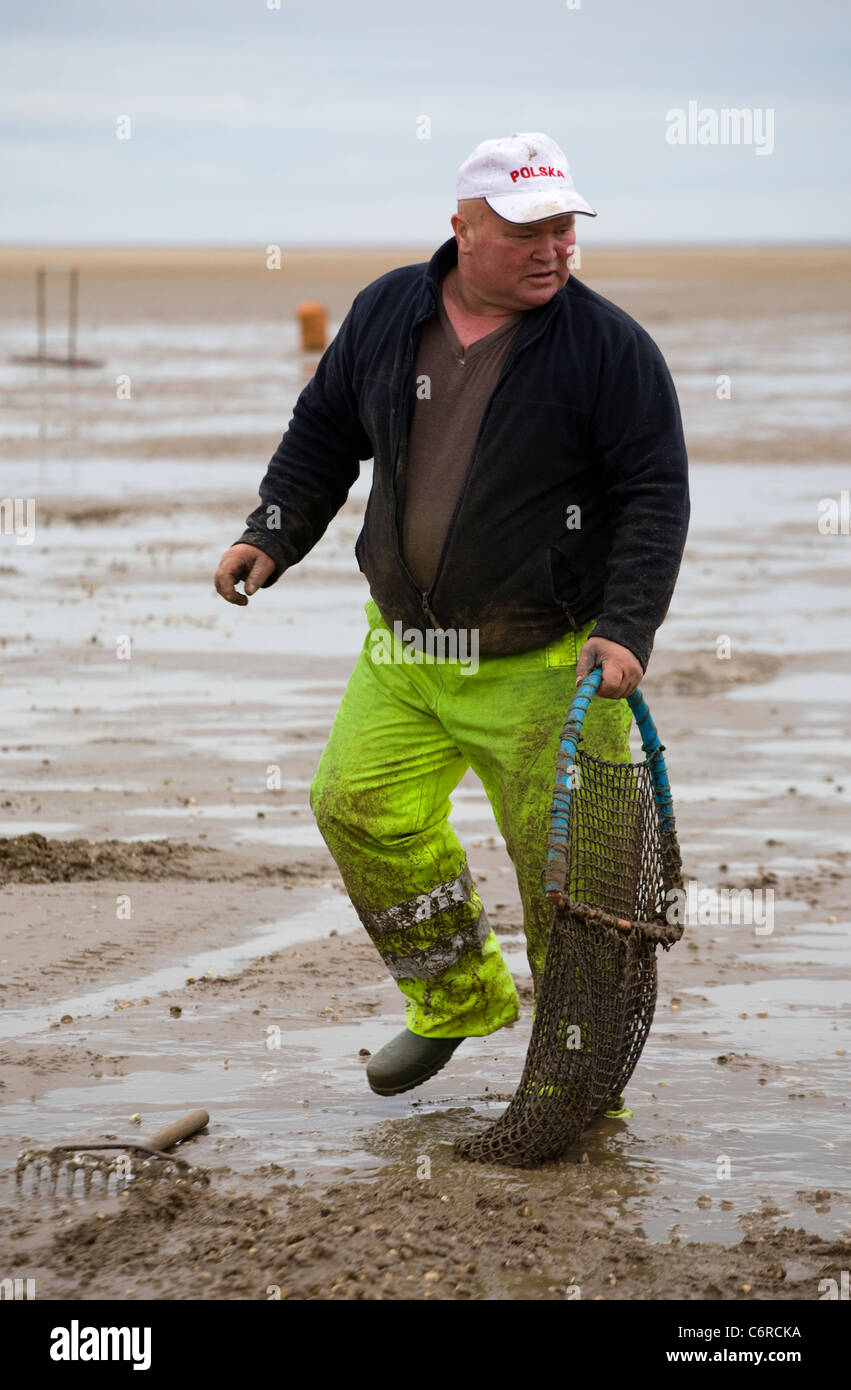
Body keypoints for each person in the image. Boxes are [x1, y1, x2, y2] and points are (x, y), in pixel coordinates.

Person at [214, 132, 689, 1099]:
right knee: (355, 807)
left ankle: (571, 1080)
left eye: (564, 228)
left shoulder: (607, 349)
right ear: (462, 227)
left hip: (548, 665)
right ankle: (457, 1001)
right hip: (405, 648)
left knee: (572, 890)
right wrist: (271, 532)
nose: (552, 249)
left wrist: (625, 629)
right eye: (527, 232)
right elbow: (322, 434)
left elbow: (653, 494)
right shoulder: (390, 310)